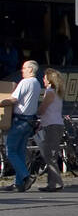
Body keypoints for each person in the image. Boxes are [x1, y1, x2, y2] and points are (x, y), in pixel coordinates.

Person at [0, 61, 41, 192]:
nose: (22, 70)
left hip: (19, 121)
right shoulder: (37, 83)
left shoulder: (25, 82)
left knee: (11, 151)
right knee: (20, 152)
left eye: (23, 68)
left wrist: (2, 102)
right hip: (29, 122)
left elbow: (14, 99)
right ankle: (19, 183)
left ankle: (26, 177)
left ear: (30, 69)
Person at [36, 68, 65, 191]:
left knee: (49, 155)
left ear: (49, 80)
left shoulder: (50, 92)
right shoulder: (56, 92)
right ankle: (51, 183)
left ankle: (56, 183)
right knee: (49, 154)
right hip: (54, 124)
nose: (43, 79)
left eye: (44, 77)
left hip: (52, 126)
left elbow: (43, 109)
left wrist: (35, 113)